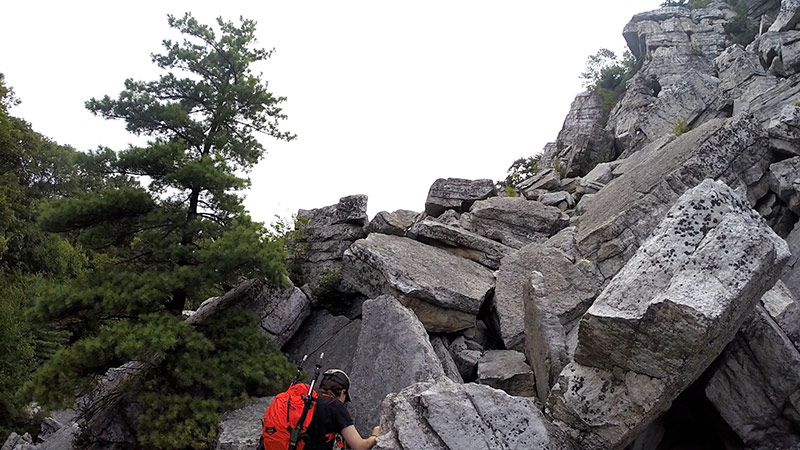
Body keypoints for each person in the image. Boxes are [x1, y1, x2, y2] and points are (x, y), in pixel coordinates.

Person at [304, 368, 379, 450]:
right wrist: (375, 435)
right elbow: (361, 446)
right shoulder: (335, 406)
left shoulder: (308, 399)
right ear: (343, 391)